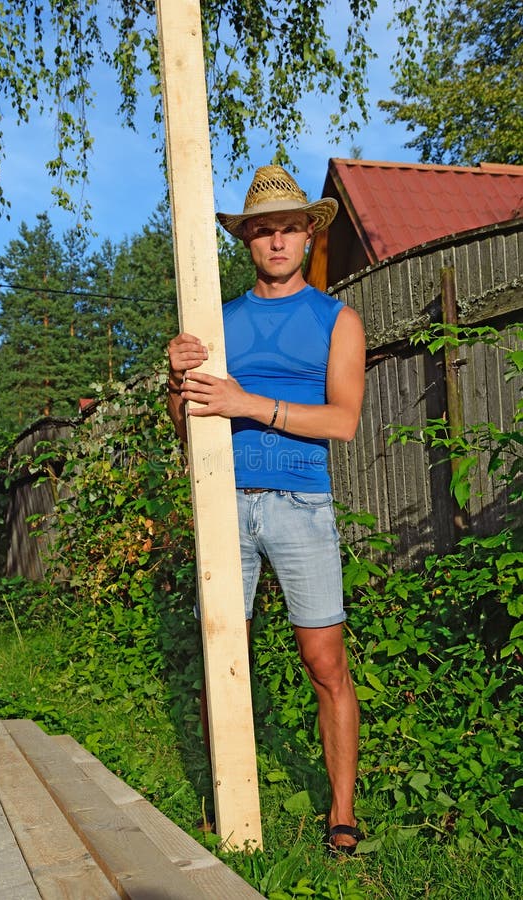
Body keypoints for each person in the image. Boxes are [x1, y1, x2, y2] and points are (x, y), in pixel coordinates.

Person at [166, 165, 366, 854]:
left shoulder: (338, 319)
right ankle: (226, 799)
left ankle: (341, 812)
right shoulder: (215, 322)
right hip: (224, 503)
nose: (276, 240)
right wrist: (178, 377)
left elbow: (343, 422)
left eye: (288, 227)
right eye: (262, 229)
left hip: (301, 505)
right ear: (246, 240)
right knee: (222, 657)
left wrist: (249, 403)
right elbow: (185, 422)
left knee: (324, 663)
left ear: (308, 233)